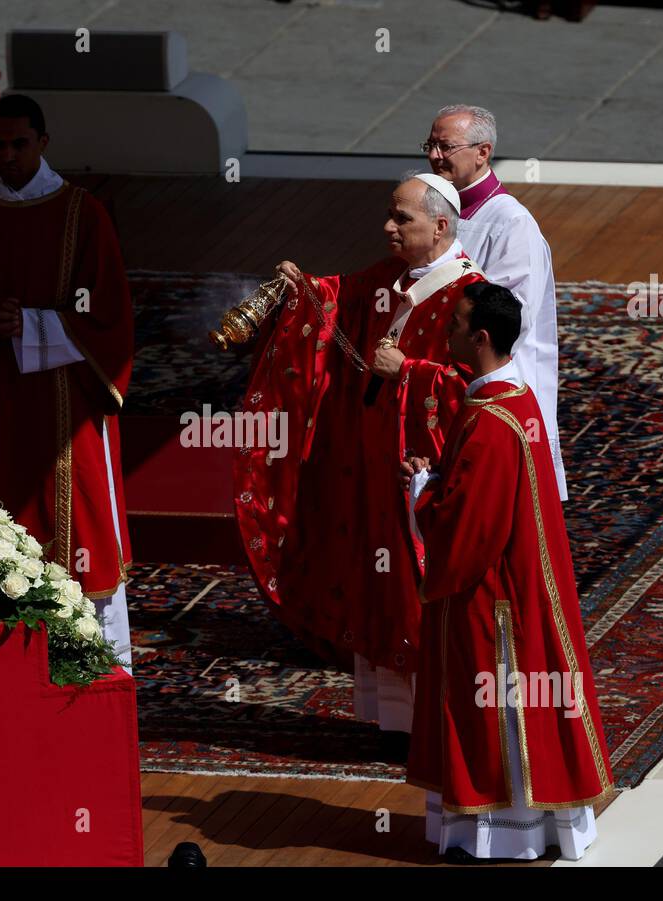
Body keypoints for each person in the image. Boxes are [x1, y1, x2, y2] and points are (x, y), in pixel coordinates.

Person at [237, 173, 485, 755]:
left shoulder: (471, 296)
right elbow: (336, 298)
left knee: (418, 586)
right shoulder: (387, 279)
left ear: (441, 227)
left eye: (403, 219)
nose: (388, 227)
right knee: (382, 581)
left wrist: (410, 372)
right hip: (375, 462)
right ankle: (399, 723)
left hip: (424, 470)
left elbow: (481, 386)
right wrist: (303, 290)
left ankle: (439, 721)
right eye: (391, 216)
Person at [403, 282, 614, 862]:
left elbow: (468, 532)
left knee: (496, 707)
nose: (447, 333)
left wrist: (423, 492)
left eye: (456, 325)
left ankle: (498, 833)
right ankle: (540, 826)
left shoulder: (494, 422)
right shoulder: (515, 400)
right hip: (525, 583)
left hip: (493, 598)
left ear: (483, 337)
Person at [0, 95, 134, 670]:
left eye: (19, 144)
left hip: (64, 398)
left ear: (43, 143)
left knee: (75, 524)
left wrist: (36, 323)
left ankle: (94, 664)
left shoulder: (81, 214)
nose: (7, 155)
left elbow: (111, 316)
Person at [423, 105, 566, 499]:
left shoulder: (511, 224)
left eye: (445, 147)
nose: (435, 156)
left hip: (495, 385)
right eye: (430, 145)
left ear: (482, 152)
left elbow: (509, 316)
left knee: (492, 502)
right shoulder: (433, 210)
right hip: (446, 374)